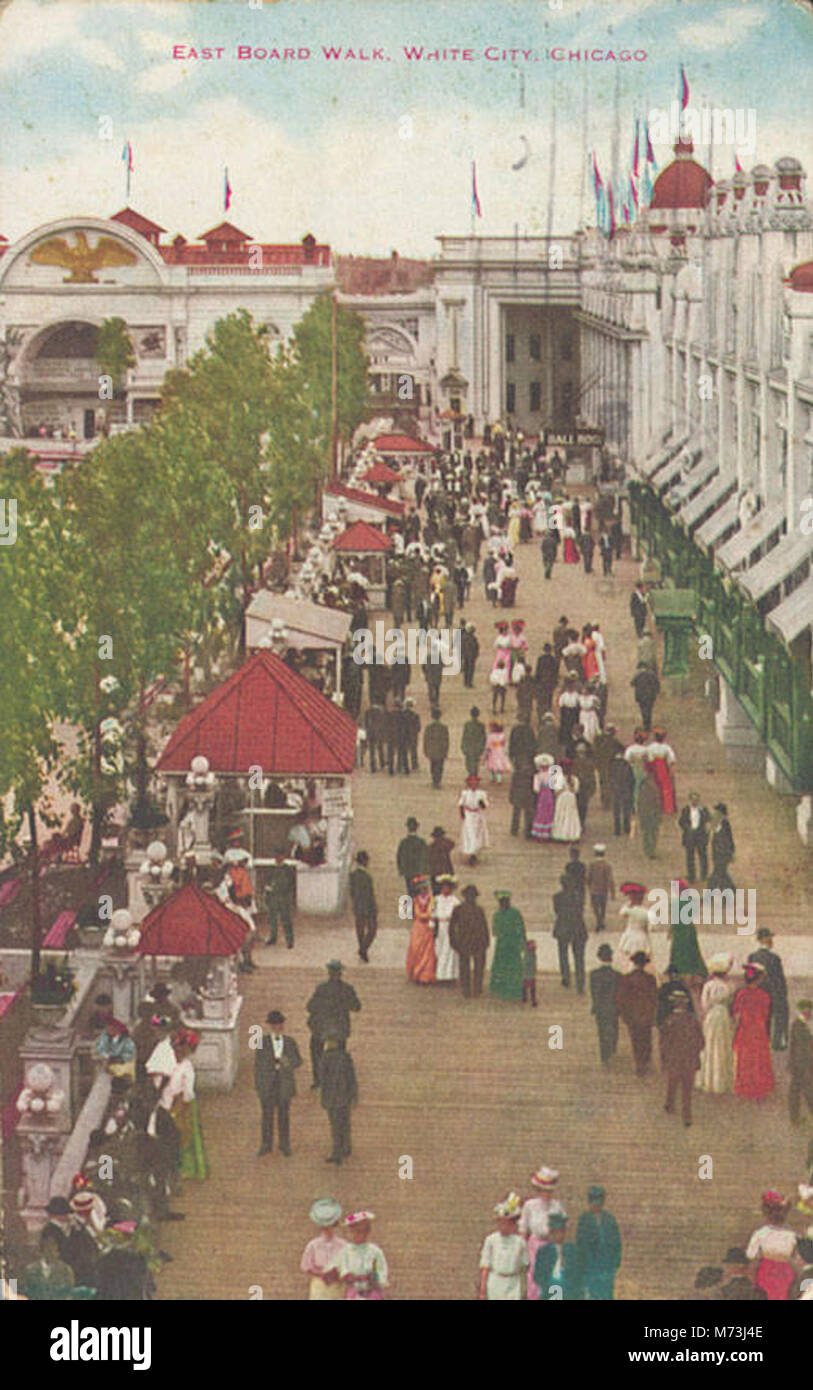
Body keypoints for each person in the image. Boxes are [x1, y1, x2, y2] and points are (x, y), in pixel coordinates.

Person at [305, 961, 362, 1087]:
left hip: (321, 1028)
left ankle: (318, 1080)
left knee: (316, 1052)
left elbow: (310, 1007)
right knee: (340, 1053)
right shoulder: (347, 989)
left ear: (329, 973)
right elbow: (357, 1007)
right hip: (340, 1029)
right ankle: (338, 1079)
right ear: (340, 974)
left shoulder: (321, 988)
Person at [254, 1010, 302, 1156]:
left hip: (283, 1084)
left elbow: (298, 1061)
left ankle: (284, 1144)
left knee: (284, 1116)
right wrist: (259, 1086)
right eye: (274, 1025)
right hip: (268, 1084)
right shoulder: (262, 1042)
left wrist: (287, 1062)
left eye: (279, 1025)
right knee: (267, 1116)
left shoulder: (290, 1042)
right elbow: (258, 1065)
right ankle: (266, 1144)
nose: (277, 1027)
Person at [162, 1029, 208, 1179]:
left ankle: (188, 1168)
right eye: (177, 1049)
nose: (179, 1052)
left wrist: (178, 1108)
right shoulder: (170, 1063)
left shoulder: (187, 1067)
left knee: (184, 1136)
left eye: (182, 1050)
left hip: (183, 1105)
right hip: (167, 1102)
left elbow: (187, 1092)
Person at [519, 1168, 566, 1300]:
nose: (546, 1194)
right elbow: (523, 1229)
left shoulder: (557, 1206)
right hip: (534, 1246)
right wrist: (524, 1252)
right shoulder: (530, 1206)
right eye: (544, 1190)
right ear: (538, 1190)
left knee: (554, 1278)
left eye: (549, 1191)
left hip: (551, 1245)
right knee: (534, 1281)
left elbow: (562, 1229)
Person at [660, 995, 705, 1127]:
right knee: (687, 1088)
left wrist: (664, 1057)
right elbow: (701, 1041)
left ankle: (669, 1103)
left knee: (672, 1082)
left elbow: (663, 1043)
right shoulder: (693, 1020)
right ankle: (686, 1115)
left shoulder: (669, 1021)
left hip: (674, 1059)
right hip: (689, 1059)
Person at [732, 963, 774, 1099]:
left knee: (745, 1058)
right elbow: (767, 1015)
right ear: (758, 979)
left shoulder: (741, 994)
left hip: (745, 1029)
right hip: (759, 1030)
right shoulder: (764, 995)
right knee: (759, 1058)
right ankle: (760, 1088)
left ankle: (745, 1087)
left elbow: (736, 1014)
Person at [746, 1193, 799, 1301]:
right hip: (767, 1274)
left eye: (780, 1211)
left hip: (782, 1274)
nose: (777, 1214)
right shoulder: (761, 1234)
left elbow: (751, 1255)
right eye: (774, 1211)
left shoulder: (791, 1235)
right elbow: (752, 1257)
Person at [696, 954, 735, 1095]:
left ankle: (709, 1079)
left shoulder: (709, 986)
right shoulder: (729, 986)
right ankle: (722, 1080)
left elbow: (704, 1004)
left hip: (712, 1016)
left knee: (710, 1044)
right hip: (723, 1015)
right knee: (722, 1045)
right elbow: (731, 1004)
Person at [479, 1193, 529, 1300]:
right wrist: (483, 1290)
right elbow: (485, 1266)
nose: (503, 1226)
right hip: (496, 1282)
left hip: (513, 1282)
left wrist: (525, 1289)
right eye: (501, 1223)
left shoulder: (519, 1242)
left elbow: (524, 1267)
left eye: (507, 1223)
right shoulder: (491, 1240)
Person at [576, 1187, 622, 1301]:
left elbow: (616, 1242)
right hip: (591, 1266)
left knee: (606, 1293)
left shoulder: (609, 1219)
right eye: (593, 1203)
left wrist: (616, 1260)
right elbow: (581, 1244)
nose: (596, 1206)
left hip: (606, 1265)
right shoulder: (584, 1220)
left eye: (599, 1203)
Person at [748, 927, 789, 1052]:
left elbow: (749, 977)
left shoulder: (752, 957)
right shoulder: (774, 958)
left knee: (761, 1019)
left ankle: (761, 1042)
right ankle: (777, 1043)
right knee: (780, 1015)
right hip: (773, 993)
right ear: (764, 939)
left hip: (758, 993)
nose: (771, 940)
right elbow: (779, 979)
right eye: (769, 937)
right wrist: (783, 993)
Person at [617, 951, 658, 1077]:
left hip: (633, 1015)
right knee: (646, 1038)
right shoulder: (650, 979)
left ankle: (639, 1063)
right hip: (646, 1013)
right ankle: (645, 1061)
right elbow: (655, 997)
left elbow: (622, 998)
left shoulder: (627, 978)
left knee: (635, 1039)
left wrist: (623, 1014)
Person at [320, 1035, 358, 1166]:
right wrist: (354, 1095)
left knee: (335, 1125)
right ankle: (346, 1147)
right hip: (344, 1095)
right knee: (345, 1123)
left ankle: (337, 1153)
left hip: (331, 1096)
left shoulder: (325, 1058)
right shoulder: (345, 1057)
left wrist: (323, 1098)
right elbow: (352, 1077)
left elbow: (323, 1080)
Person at [334, 1211, 388, 1300]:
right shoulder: (346, 1251)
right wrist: (349, 1276)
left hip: (371, 1291)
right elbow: (343, 1269)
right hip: (353, 1291)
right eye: (352, 1232)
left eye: (360, 1232)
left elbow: (381, 1270)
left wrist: (375, 1278)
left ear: (367, 1232)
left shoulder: (375, 1251)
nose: (355, 1235)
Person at [301, 1198, 347, 1300]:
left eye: (330, 1226)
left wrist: (337, 1275)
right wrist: (321, 1274)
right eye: (324, 1226)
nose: (327, 1229)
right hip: (319, 1287)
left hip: (338, 1286)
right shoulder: (313, 1245)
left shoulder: (343, 1246)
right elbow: (306, 1266)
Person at [449, 884, 490, 998]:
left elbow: (484, 926)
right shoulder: (458, 909)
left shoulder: (479, 910)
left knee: (478, 967)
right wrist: (454, 941)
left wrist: (486, 941)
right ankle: (466, 989)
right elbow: (452, 927)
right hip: (464, 942)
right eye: (469, 896)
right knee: (464, 967)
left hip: (478, 942)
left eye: (473, 896)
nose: (471, 898)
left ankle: (477, 988)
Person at [533, 1212, 584, 1300]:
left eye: (561, 1232)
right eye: (555, 1232)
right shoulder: (544, 1251)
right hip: (550, 1289)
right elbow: (538, 1274)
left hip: (568, 1289)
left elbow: (578, 1272)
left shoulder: (572, 1250)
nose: (558, 1235)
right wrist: (547, 1283)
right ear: (550, 1233)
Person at [489, 890, 526, 1001]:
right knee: (501, 967)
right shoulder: (497, 914)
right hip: (502, 945)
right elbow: (495, 931)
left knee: (513, 967)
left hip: (512, 944)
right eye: (501, 901)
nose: (503, 903)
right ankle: (501, 989)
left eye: (505, 901)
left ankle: (514, 989)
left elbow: (521, 929)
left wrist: (522, 942)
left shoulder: (514, 913)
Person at [552, 884, 587, 995]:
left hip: (563, 926)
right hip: (577, 926)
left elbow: (557, 911)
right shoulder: (579, 896)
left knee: (563, 954)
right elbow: (580, 910)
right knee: (579, 957)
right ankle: (580, 982)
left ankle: (566, 977)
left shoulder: (557, 897)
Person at [590, 943, 620, 1065]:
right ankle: (612, 1046)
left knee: (602, 1030)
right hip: (613, 1006)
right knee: (613, 1027)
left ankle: (604, 1054)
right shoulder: (617, 975)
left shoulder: (594, 974)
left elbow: (594, 992)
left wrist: (595, 1005)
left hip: (601, 1007)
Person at [406, 876, 437, 984]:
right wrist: (426, 915)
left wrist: (428, 915)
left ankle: (426, 975)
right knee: (416, 948)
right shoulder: (415, 900)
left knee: (428, 951)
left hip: (427, 927)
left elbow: (431, 911)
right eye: (422, 889)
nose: (424, 890)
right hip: (418, 927)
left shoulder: (431, 899)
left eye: (426, 888)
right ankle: (416, 972)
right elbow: (417, 913)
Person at [348, 851, 377, 962]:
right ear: (365, 861)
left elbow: (352, 892)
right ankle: (363, 949)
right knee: (372, 930)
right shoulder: (367, 876)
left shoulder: (352, 875)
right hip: (368, 907)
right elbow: (370, 894)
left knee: (360, 929)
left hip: (358, 906)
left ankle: (362, 948)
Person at [263, 852, 297, 949]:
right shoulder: (272, 869)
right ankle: (273, 937)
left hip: (283, 897)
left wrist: (287, 893)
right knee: (272, 919)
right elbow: (267, 882)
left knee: (286, 919)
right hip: (273, 896)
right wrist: (268, 890)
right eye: (277, 857)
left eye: (280, 857)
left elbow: (291, 883)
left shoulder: (287, 869)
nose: (278, 859)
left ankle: (290, 940)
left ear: (283, 857)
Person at [433, 875, 461, 983]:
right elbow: (432, 911)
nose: (445, 890)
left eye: (447, 888)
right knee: (439, 949)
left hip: (450, 926)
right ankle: (440, 974)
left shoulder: (455, 901)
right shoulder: (436, 899)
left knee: (449, 950)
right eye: (443, 887)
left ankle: (450, 974)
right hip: (440, 926)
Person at [789, 998, 813, 1124]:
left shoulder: (799, 1024)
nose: (807, 1014)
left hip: (801, 1063)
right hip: (802, 1063)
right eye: (805, 1012)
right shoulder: (799, 1025)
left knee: (797, 1090)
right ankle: (795, 1117)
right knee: (805, 1091)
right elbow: (798, 1046)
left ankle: (795, 1117)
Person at [678, 792, 711, 883]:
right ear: (690, 800)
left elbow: (709, 820)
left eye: (696, 800)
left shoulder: (703, 810)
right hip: (690, 836)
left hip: (700, 836)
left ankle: (704, 875)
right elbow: (681, 822)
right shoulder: (686, 810)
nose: (695, 802)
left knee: (703, 856)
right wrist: (687, 829)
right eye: (693, 800)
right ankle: (691, 876)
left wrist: (706, 830)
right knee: (690, 857)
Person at [458, 773, 489, 866]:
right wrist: (462, 815)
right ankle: (471, 851)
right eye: (471, 784)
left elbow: (485, 806)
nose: (473, 786)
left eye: (475, 784)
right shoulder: (465, 793)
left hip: (478, 815)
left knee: (477, 834)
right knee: (470, 834)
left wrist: (482, 803)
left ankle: (475, 852)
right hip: (468, 815)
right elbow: (461, 804)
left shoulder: (482, 794)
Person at [645, 729, 676, 814]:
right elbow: (671, 760)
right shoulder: (666, 747)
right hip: (663, 768)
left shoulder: (651, 747)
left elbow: (648, 758)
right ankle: (667, 808)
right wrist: (671, 771)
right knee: (666, 788)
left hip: (653, 767)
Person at [585, 844, 614, 931]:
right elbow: (610, 879)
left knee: (595, 906)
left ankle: (598, 920)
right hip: (604, 890)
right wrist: (612, 891)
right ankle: (601, 921)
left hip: (594, 890)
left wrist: (588, 885)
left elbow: (588, 877)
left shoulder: (591, 864)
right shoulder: (607, 865)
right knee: (603, 906)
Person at [707, 802, 735, 890]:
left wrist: (730, 853)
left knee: (717, 875)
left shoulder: (724, 824)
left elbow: (729, 840)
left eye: (716, 812)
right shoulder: (717, 823)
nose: (714, 814)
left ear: (721, 814)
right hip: (717, 854)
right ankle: (731, 890)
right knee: (722, 874)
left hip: (722, 854)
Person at [396, 816, 428, 892]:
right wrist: (424, 870)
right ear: (417, 828)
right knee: (418, 891)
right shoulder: (421, 842)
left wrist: (401, 870)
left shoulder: (404, 842)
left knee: (410, 890)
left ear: (407, 828)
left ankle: (411, 903)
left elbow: (399, 857)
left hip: (408, 871)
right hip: (419, 871)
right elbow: (425, 857)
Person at [530, 754, 556, 841]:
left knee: (541, 813)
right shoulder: (551, 775)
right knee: (549, 812)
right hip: (549, 795)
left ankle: (540, 832)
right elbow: (554, 787)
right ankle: (547, 832)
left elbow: (536, 789)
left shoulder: (537, 776)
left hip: (542, 795)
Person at [551, 771, 582, 844]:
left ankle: (561, 834)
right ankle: (573, 834)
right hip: (571, 797)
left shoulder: (558, 778)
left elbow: (556, 791)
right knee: (571, 816)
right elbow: (576, 790)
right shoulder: (574, 779)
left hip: (562, 798)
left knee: (561, 815)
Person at [423, 707, 449, 789]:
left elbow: (426, 739)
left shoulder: (428, 727)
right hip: (440, 750)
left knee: (433, 765)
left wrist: (425, 749)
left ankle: (434, 779)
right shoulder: (444, 727)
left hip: (432, 750)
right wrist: (446, 750)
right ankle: (438, 780)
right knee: (440, 766)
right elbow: (446, 740)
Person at [609, 752, 634, 836]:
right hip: (626, 789)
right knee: (626, 810)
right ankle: (626, 827)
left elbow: (609, 778)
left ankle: (617, 829)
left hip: (616, 790)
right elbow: (631, 779)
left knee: (616, 811)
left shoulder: (612, 765)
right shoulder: (627, 765)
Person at [631, 663, 660, 732]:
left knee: (643, 710)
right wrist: (656, 692)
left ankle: (645, 724)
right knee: (649, 710)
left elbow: (632, 683)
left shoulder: (638, 675)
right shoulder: (652, 674)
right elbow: (657, 683)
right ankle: (648, 724)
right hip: (650, 696)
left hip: (641, 696)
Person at [461, 706, 487, 777]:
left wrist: (463, 746)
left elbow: (464, 736)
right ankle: (474, 775)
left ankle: (472, 775)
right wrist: (482, 747)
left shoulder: (467, 724)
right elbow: (483, 737)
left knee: (469, 763)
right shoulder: (481, 725)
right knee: (475, 764)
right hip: (477, 748)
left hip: (469, 747)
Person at [522, 939, 537, 1006]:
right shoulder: (530, 955)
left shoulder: (529, 954)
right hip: (529, 974)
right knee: (531, 987)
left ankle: (525, 998)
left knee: (525, 987)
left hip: (527, 974)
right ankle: (532, 1000)